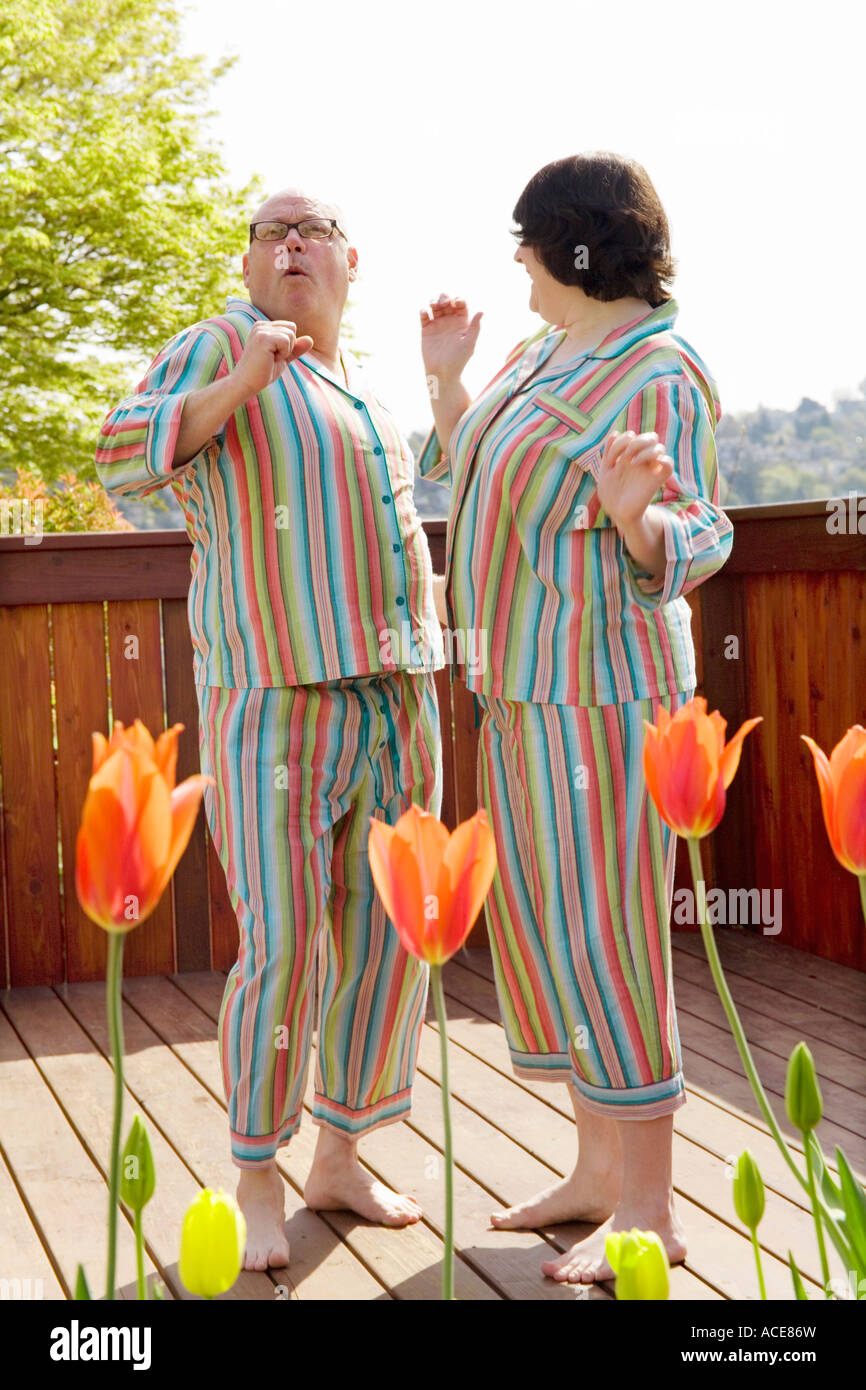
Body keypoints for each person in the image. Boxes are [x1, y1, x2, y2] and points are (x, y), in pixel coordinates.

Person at [96, 188, 445, 1271]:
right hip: (274, 702)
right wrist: (241, 383)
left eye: (313, 230)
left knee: (386, 940)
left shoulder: (366, 394)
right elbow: (120, 459)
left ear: (350, 261)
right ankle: (255, 1173)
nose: (290, 244)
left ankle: (337, 1155)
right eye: (268, 232)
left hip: (395, 701)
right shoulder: (220, 342)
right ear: (250, 265)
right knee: (284, 943)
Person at [418, 152, 734, 1284]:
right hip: (517, 692)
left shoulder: (657, 368)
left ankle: (649, 1208)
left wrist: (634, 519)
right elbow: (479, 474)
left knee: (607, 939)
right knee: (553, 936)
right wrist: (449, 384)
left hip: (601, 696)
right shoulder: (538, 350)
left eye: (527, 238)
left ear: (578, 242)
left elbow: (698, 530)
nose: (514, 259)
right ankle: (596, 1175)